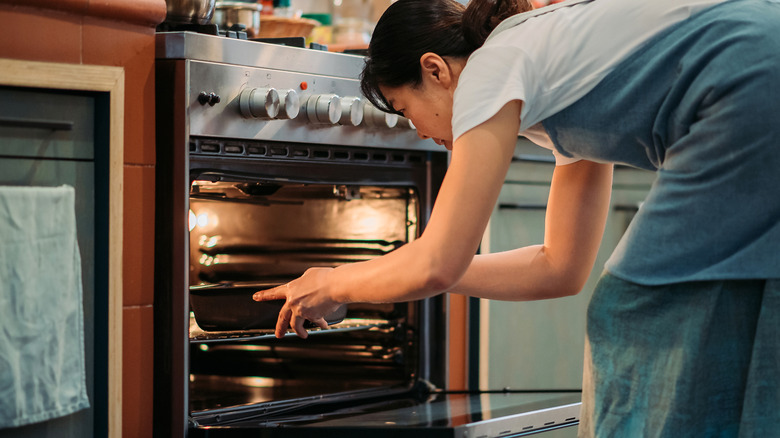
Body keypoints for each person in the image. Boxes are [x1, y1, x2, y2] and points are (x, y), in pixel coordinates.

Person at [254, 0, 780, 435]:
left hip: (745, 82)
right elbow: (559, 268)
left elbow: (438, 263)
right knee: (749, 305)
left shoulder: (492, 65)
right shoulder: (551, 76)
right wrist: (401, 268)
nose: (419, 131)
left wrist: (337, 282)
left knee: (637, 315)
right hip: (759, 67)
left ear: (435, 70)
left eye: (405, 108)